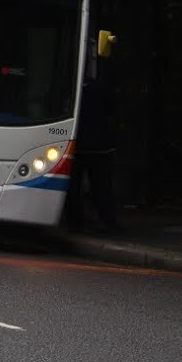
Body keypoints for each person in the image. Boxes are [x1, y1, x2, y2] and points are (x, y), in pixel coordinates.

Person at [64, 50, 122, 233]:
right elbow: (112, 109)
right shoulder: (101, 87)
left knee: (73, 185)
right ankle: (108, 221)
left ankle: (74, 220)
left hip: (78, 144)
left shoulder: (70, 87)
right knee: (102, 186)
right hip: (101, 146)